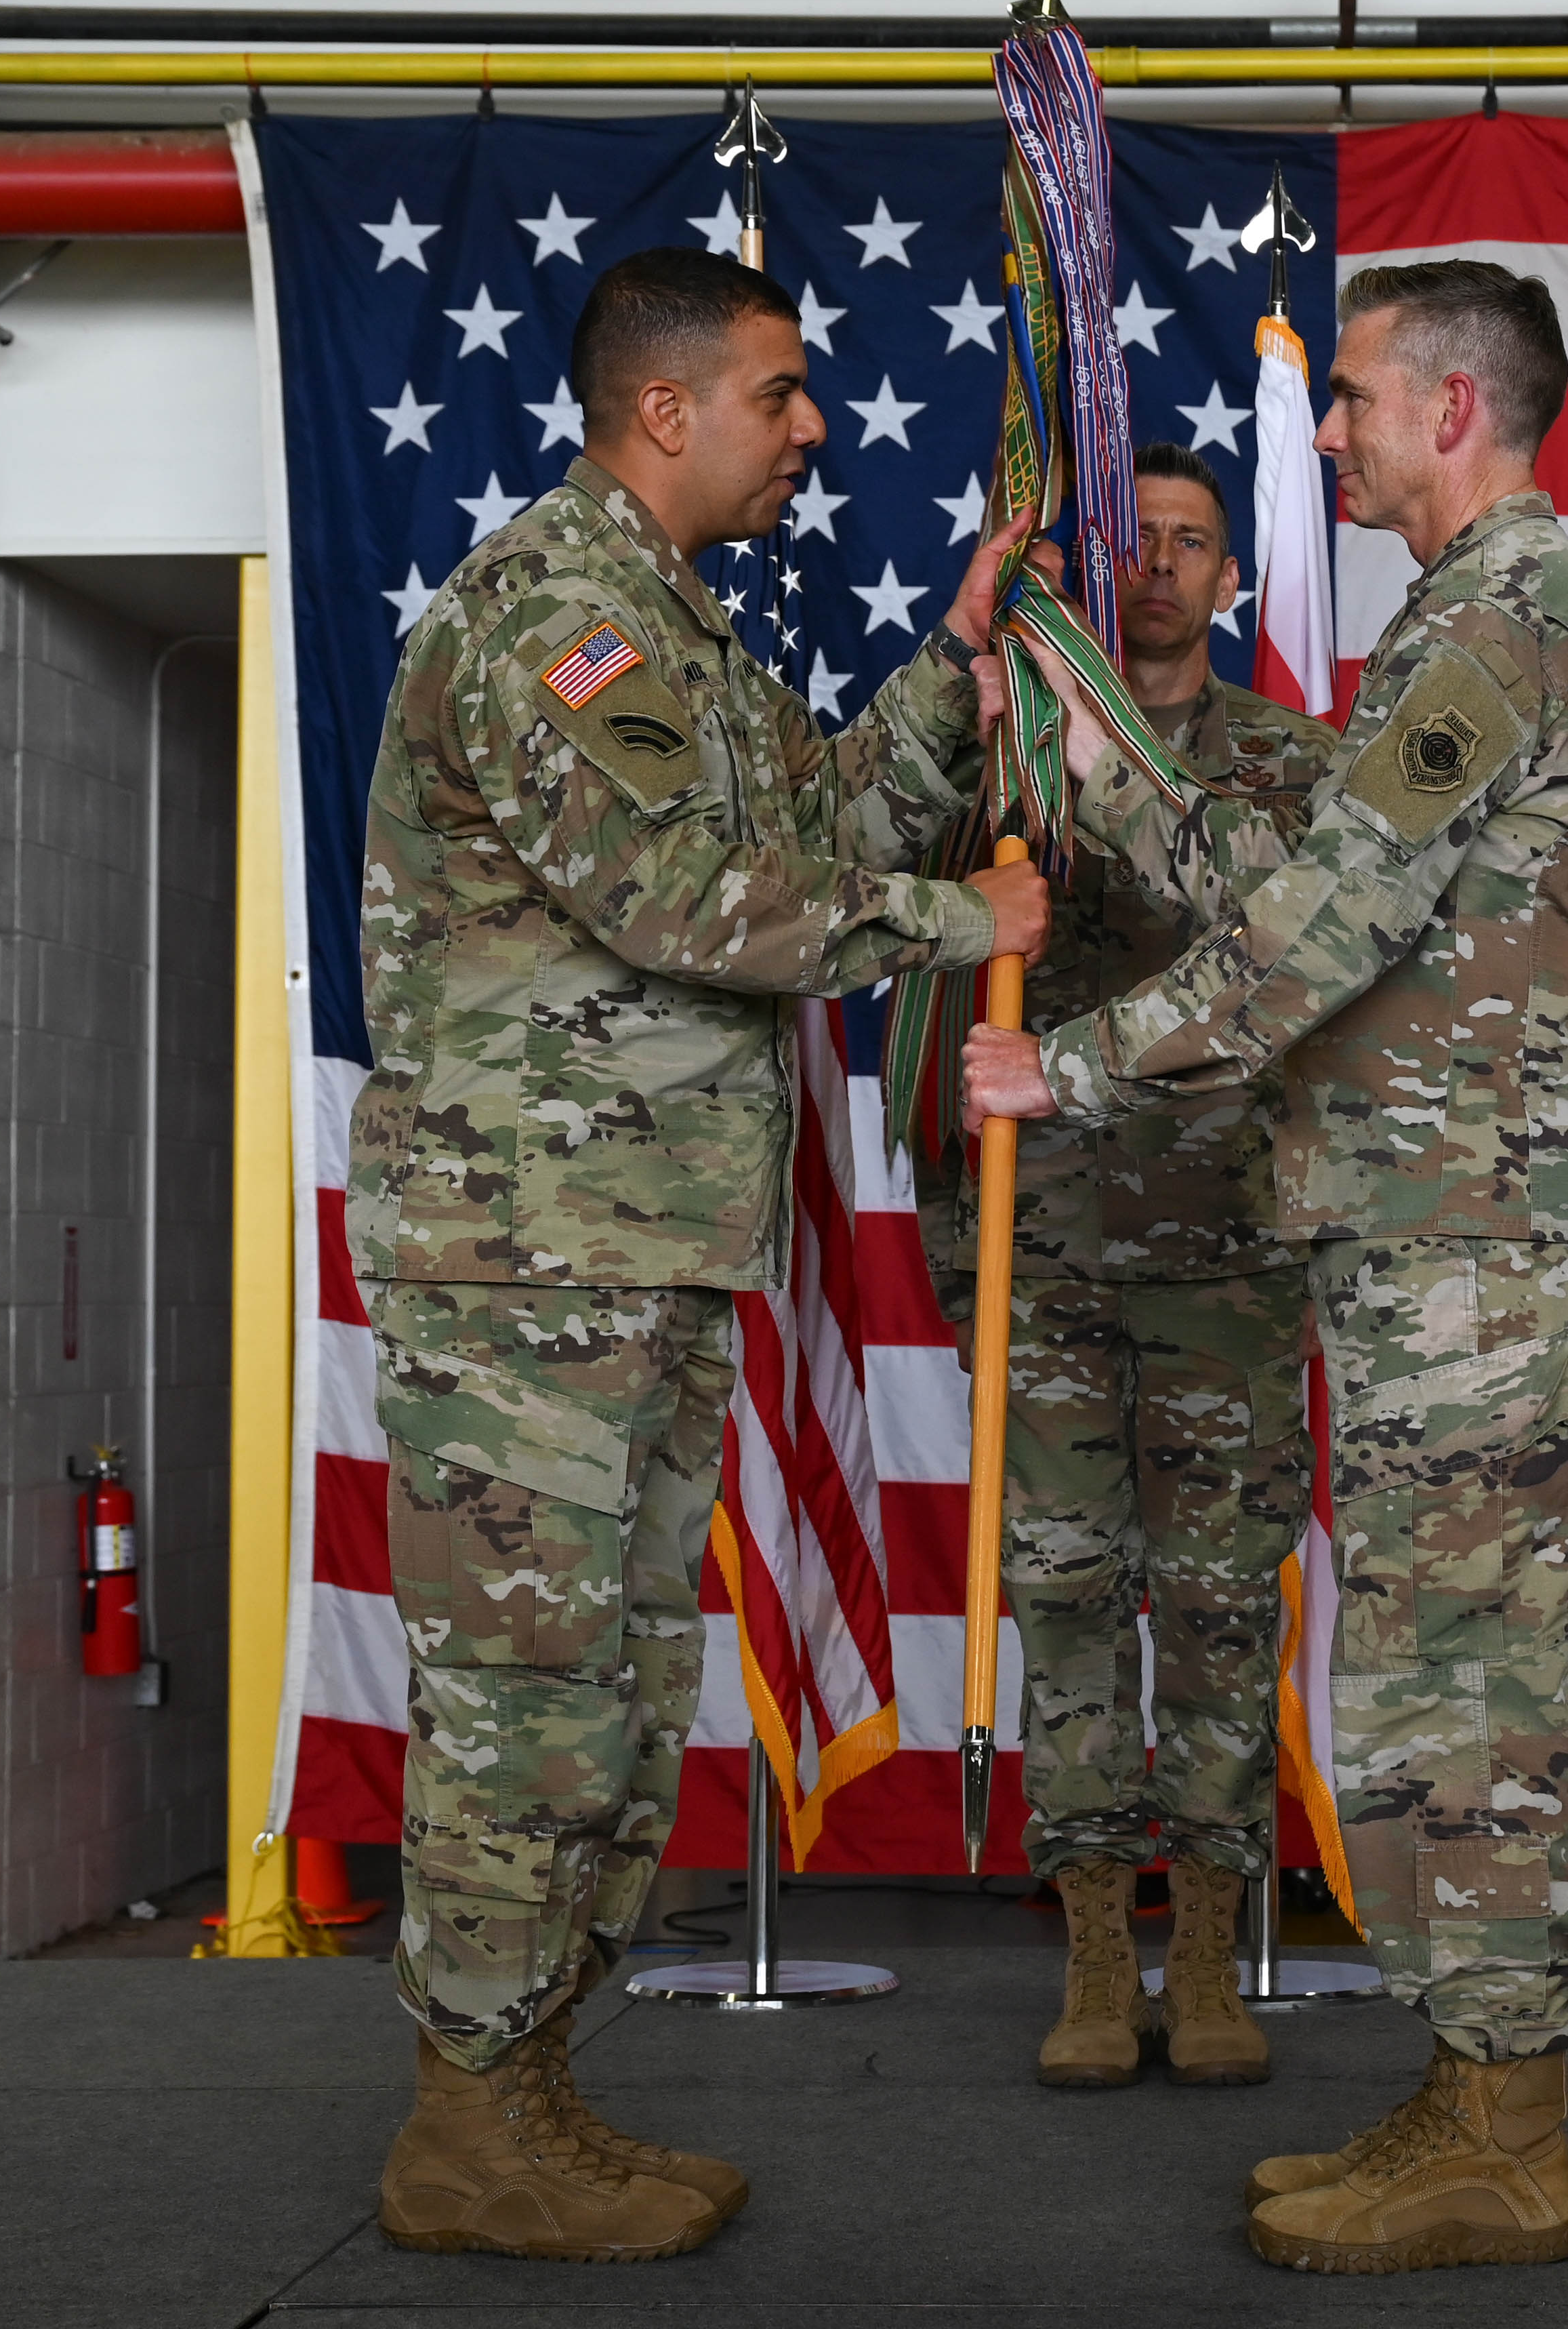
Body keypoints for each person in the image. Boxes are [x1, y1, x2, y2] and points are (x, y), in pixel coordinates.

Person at [348, 244, 1048, 2264]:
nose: (810, 428)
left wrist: (945, 671)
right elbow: (681, 898)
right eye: (781, 392)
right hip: (527, 1263)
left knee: (619, 1690)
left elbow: (808, 820)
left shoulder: (671, 624)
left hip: (631, 1248)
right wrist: (957, 932)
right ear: (665, 409)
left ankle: (533, 2093)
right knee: (527, 1695)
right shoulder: (557, 622)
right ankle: (465, 2124)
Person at [965, 258, 1568, 2275]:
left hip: (1474, 1240)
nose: (1324, 431)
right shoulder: (1464, 621)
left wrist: (1058, 1062)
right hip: (1431, 1235)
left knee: (1467, 1698)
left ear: (1454, 409)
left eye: (1349, 399)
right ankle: (1468, 2095)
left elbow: (1301, 944)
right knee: (1432, 1690)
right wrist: (1086, 744)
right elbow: (1280, 884)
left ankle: (1505, 2134)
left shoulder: (1503, 617)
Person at [913, 442, 1339, 2093]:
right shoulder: (1004, 758)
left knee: (1225, 1606)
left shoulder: (1294, 768)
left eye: (1188, 543)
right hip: (1044, 1250)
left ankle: (1216, 1949)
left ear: (1230, 581)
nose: (1157, 565)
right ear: (1095, 581)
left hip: (1228, 1248)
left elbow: (1285, 953)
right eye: (1132, 543)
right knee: (1069, 1594)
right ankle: (1099, 1944)